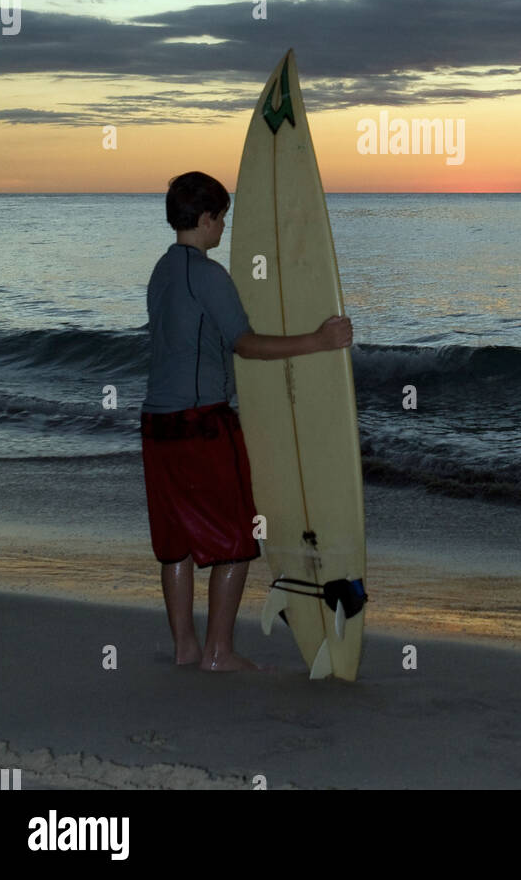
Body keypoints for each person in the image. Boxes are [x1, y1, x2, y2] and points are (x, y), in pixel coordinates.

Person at [140, 170, 352, 672]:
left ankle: (186, 648)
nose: (222, 230)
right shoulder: (207, 274)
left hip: (156, 424)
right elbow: (245, 344)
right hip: (201, 425)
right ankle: (219, 651)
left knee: (176, 545)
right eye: (222, 220)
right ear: (208, 217)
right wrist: (317, 341)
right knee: (234, 542)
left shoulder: (160, 272)